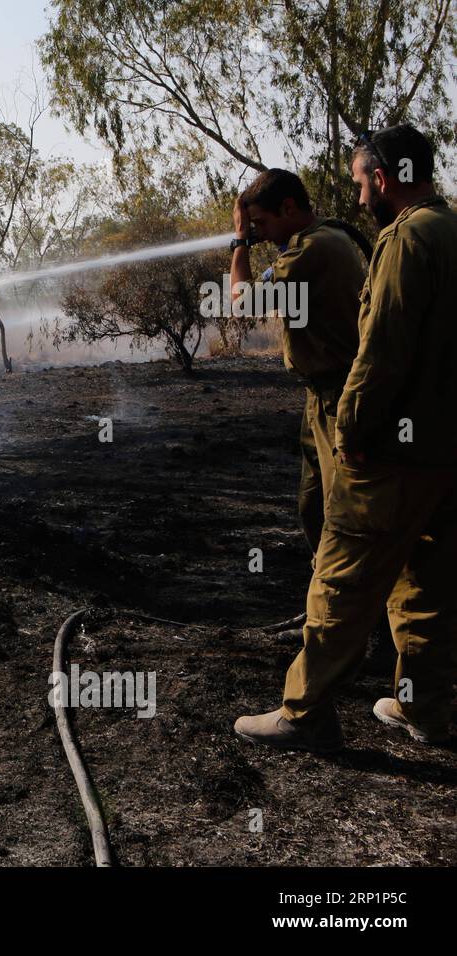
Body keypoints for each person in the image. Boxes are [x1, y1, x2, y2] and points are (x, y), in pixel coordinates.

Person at [235, 124, 457, 752]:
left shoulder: (407, 239)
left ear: (384, 179)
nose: (358, 198)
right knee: (427, 584)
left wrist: (353, 430)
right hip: (446, 449)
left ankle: (304, 714)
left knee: (342, 574)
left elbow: (381, 348)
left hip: (393, 451)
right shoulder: (452, 230)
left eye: (362, 183)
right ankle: (425, 711)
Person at [232, 169, 367, 556]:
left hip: (336, 397)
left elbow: (242, 302)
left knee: (339, 512)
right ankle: (329, 599)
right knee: (313, 506)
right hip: (318, 397)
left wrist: (239, 240)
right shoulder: (314, 241)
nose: (259, 232)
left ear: (288, 207)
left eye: (262, 222)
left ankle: (349, 608)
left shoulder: (311, 250)